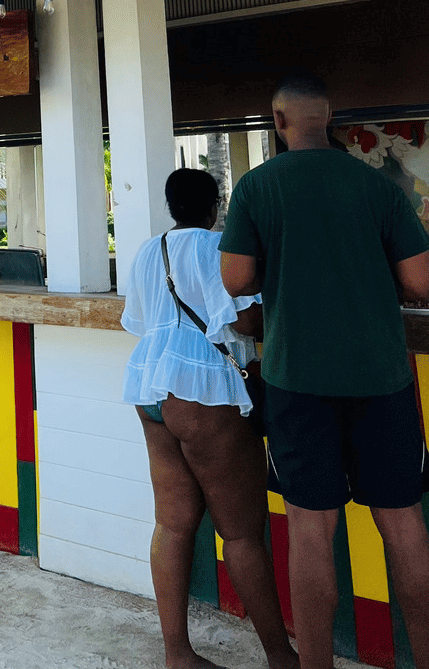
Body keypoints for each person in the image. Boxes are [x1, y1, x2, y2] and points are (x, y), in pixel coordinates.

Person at [220, 72, 429, 669]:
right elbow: (422, 283)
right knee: (404, 526)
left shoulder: (256, 187)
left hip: (297, 384)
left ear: (278, 121)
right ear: (329, 119)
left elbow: (236, 280)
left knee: (312, 531)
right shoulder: (378, 188)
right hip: (382, 380)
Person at [123, 167, 296, 669]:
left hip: (151, 385)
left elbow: (139, 319)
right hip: (202, 388)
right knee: (240, 533)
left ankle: (178, 654)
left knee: (172, 526)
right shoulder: (215, 248)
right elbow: (243, 319)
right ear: (214, 204)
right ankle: (281, 656)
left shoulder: (147, 250)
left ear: (170, 203)